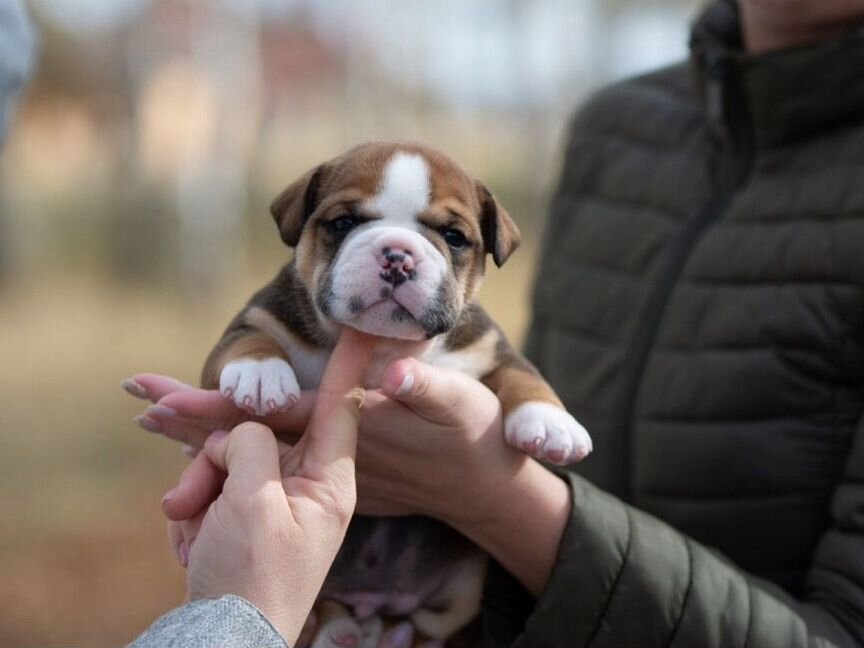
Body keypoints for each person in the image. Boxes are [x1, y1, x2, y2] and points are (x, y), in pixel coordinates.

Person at [129, 0, 864, 645]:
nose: (395, 256)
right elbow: (243, 346)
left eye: (445, 237)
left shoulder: (473, 332)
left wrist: (501, 460)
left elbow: (511, 372)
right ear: (301, 225)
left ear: (486, 254)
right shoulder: (617, 128)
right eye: (349, 223)